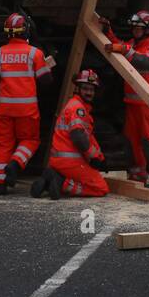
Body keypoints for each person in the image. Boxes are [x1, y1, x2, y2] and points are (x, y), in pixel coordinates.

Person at [101, 10, 149, 189]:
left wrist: (125, 50)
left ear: (148, 30)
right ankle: (137, 174)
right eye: (134, 28)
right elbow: (120, 46)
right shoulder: (133, 45)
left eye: (139, 28)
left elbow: (144, 62)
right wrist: (108, 32)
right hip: (133, 104)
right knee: (132, 140)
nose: (136, 31)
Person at [0, 12, 52, 193]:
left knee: (3, 143)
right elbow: (46, 81)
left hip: (4, 109)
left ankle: (1, 183)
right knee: (30, 140)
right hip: (27, 110)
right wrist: (48, 64)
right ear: (26, 31)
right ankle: (15, 165)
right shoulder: (35, 53)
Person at [32, 69, 108, 199]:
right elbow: (78, 136)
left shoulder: (75, 106)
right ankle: (62, 183)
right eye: (85, 89)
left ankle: (51, 178)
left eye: (92, 89)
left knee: (90, 179)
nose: (89, 92)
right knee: (100, 188)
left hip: (59, 161)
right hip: (71, 162)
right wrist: (93, 157)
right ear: (77, 89)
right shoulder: (78, 109)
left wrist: (100, 158)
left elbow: (88, 137)